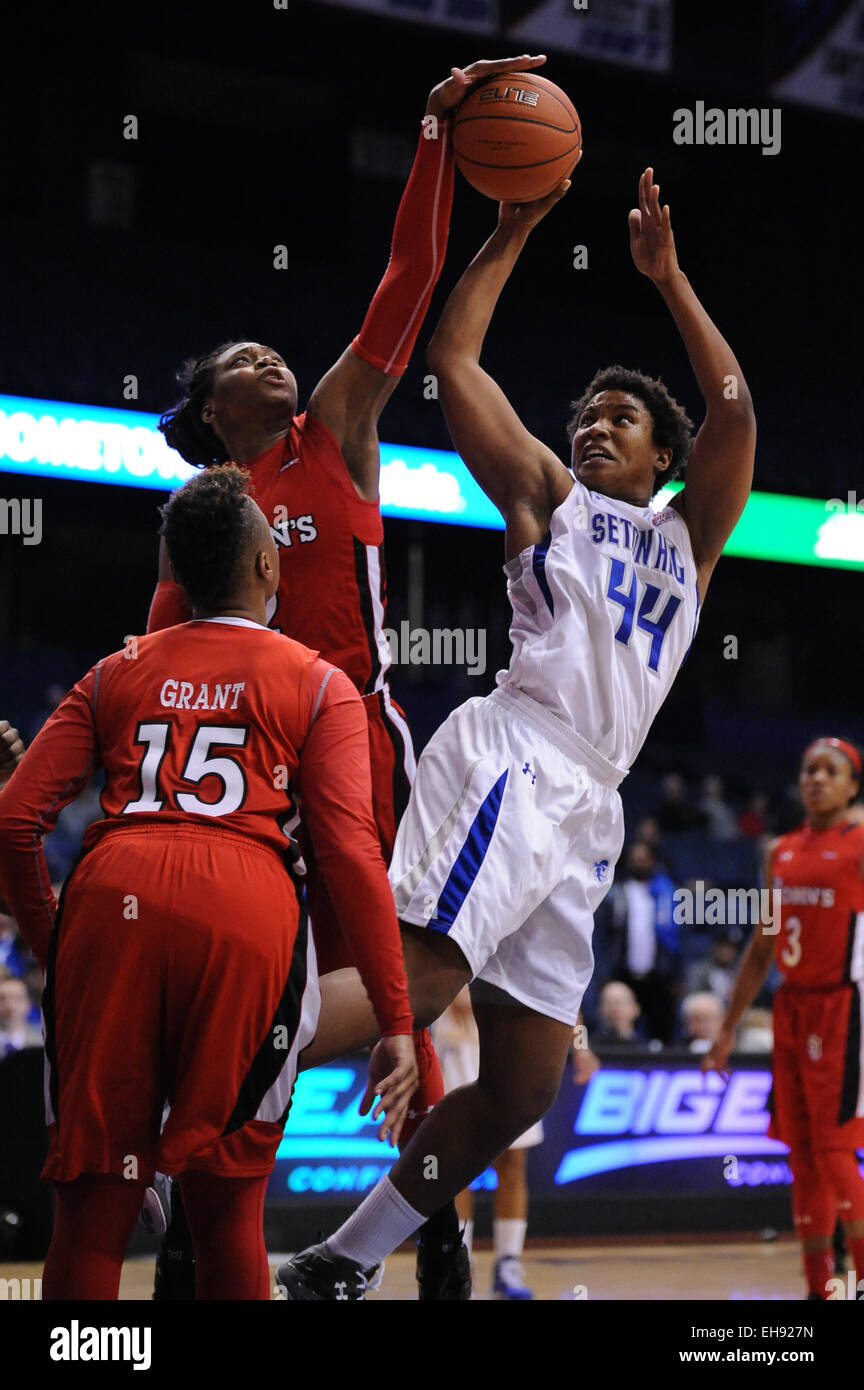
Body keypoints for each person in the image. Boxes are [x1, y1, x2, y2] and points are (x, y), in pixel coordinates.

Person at [276, 163, 756, 1298]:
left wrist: (670, 279)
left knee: (528, 1081)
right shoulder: (549, 493)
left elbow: (733, 408)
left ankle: (342, 1259)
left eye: (620, 418)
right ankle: (208, 1050)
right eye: (588, 411)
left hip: (591, 801)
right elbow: (451, 363)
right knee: (425, 981)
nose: (594, 424)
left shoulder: (694, 536)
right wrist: (514, 229)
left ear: (662, 460)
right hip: (518, 754)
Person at [145, 53, 546, 1302]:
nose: (271, 357)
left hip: (365, 737)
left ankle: (421, 1250)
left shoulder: (338, 425)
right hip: (260, 757)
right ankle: (191, 1225)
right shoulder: (211, 508)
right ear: (210, 412)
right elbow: (150, 648)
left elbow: (409, 280)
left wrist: (436, 134)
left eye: (272, 348)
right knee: (264, 990)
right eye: (243, 360)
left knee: (413, 987)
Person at [0, 466, 418, 1300]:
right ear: (268, 568)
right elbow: (348, 854)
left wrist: (58, 946)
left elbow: (12, 821)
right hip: (242, 912)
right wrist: (397, 1018)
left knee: (92, 1212)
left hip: (110, 904)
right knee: (227, 1210)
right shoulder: (316, 679)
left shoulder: (116, 667)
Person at [703, 737, 864, 1301]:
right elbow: (763, 944)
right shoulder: (781, 851)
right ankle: (820, 1289)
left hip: (844, 1007)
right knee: (801, 1152)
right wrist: (726, 1029)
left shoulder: (860, 842)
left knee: (836, 1148)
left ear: (852, 786)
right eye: (809, 769)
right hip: (791, 1009)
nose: (817, 779)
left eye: (831, 771)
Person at [432, 985, 544, 1299]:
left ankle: (508, 1263)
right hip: (459, 1050)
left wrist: (582, 1046)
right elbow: (459, 996)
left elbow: (562, 988)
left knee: (512, 1163)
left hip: (517, 1050)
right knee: (458, 1169)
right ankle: (458, 1262)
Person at [594, 839, 680, 1042]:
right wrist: (604, 973)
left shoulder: (667, 892)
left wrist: (677, 973)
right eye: (635, 859)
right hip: (622, 973)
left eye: (643, 858)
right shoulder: (614, 892)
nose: (638, 862)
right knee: (619, 1029)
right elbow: (602, 936)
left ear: (653, 861)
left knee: (661, 1029)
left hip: (658, 975)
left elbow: (677, 938)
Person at [0, 976, 42, 1055]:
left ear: (28, 1004)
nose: (10, 1006)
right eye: (2, 998)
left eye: (18, 999)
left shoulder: (40, 1044)